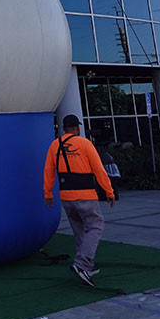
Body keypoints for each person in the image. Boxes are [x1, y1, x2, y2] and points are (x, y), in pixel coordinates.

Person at [43, 114, 116, 287]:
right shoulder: (85, 144)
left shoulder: (55, 145)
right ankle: (82, 264)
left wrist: (48, 194)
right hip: (85, 194)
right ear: (77, 128)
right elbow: (99, 169)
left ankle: (87, 266)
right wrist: (109, 191)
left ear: (63, 129)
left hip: (66, 196)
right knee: (95, 225)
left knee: (79, 229)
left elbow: (48, 171)